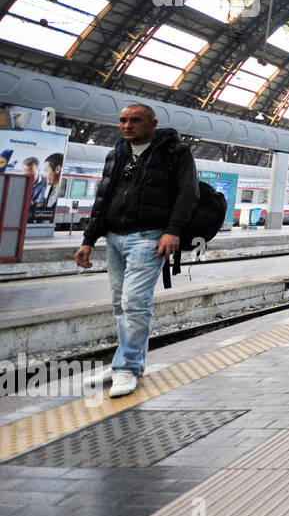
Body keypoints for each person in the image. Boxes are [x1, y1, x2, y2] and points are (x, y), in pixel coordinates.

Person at [74, 104, 199, 398]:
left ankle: (126, 367)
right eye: (122, 120)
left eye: (134, 120)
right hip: (114, 236)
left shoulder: (174, 152)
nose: (127, 126)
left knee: (135, 303)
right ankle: (126, 362)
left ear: (152, 123)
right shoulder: (116, 153)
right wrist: (88, 239)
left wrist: (173, 230)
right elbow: (104, 197)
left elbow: (187, 192)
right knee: (120, 303)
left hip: (148, 237)